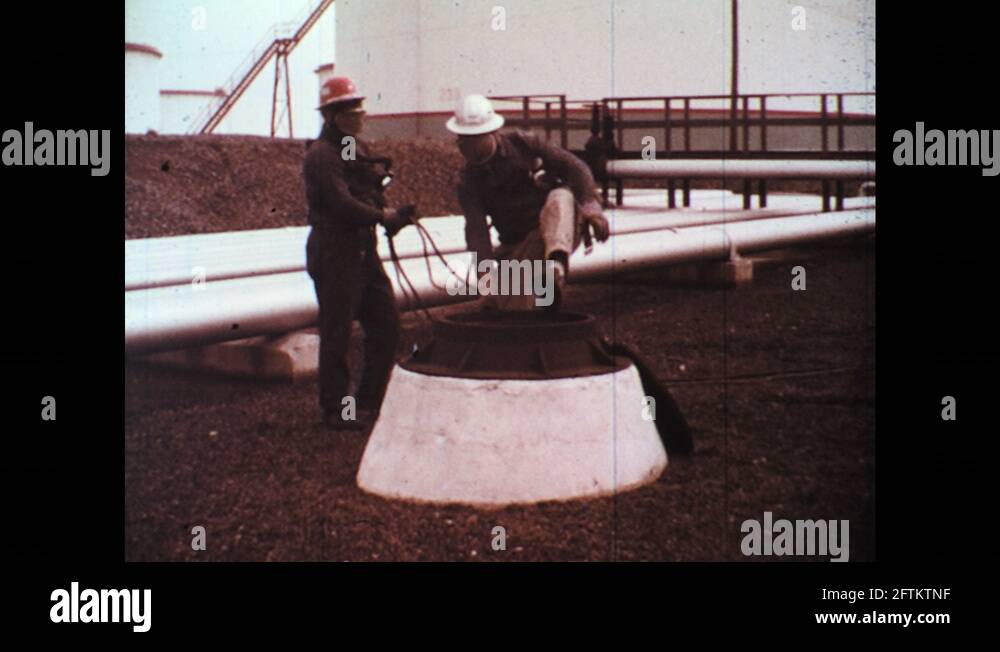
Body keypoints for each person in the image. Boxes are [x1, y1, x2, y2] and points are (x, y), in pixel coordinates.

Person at [302, 76, 417, 429]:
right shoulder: (320, 155)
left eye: (358, 109)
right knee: (337, 333)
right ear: (332, 115)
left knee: (386, 324)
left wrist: (384, 201)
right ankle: (336, 409)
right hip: (335, 250)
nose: (357, 116)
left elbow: (363, 184)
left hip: (363, 249)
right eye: (349, 110)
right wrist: (383, 215)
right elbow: (341, 202)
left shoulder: (351, 147)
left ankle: (366, 403)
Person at [447, 94, 610, 311]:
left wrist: (592, 208)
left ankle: (555, 266)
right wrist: (485, 275)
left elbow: (576, 168)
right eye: (465, 140)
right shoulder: (468, 180)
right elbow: (477, 231)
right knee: (512, 310)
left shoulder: (524, 144)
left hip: (555, 229)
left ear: (493, 133)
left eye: (477, 139)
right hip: (518, 244)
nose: (471, 147)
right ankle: (545, 295)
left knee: (561, 196)